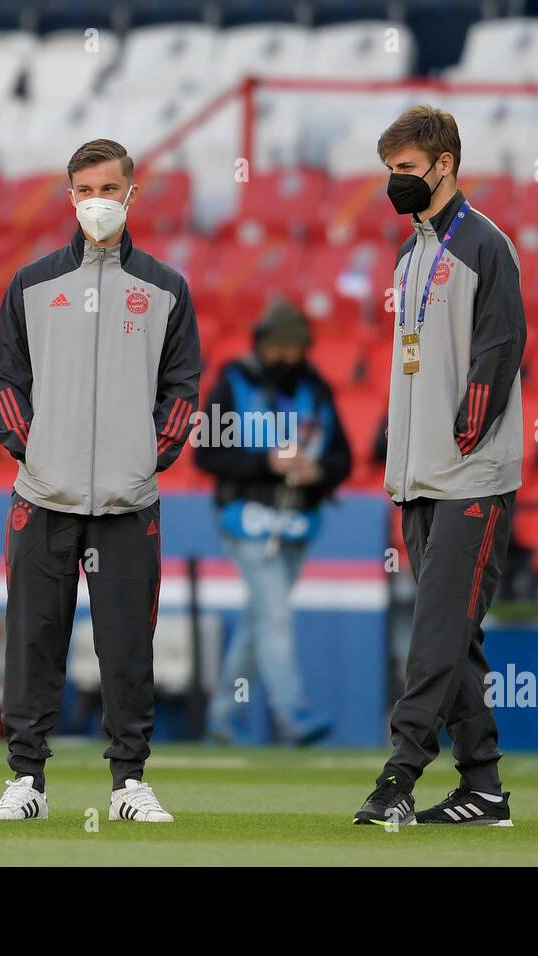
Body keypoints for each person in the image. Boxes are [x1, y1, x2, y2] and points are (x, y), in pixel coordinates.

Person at [0, 139, 200, 824]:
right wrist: (35, 452)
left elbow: (183, 389)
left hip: (128, 503)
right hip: (42, 498)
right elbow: (2, 383)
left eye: (110, 188)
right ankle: (27, 782)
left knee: (128, 647)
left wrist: (146, 458)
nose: (97, 200)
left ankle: (128, 784)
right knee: (33, 640)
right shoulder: (32, 284)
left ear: (133, 195)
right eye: (85, 189)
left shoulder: (167, 289)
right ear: (70, 196)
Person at [354, 105, 527, 827]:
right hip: (416, 479)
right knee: (455, 636)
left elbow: (500, 344)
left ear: (444, 164)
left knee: (433, 634)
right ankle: (483, 788)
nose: (394, 184)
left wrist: (469, 427)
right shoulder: (410, 255)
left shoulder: (485, 246)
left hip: (470, 478)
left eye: (405, 171)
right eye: (389, 172)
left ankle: (399, 774)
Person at [195, 301, 351, 745]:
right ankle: (292, 713)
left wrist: (317, 473)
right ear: (262, 345)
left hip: (299, 522)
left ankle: (223, 719)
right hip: (245, 520)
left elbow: (343, 457)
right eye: (278, 347)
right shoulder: (233, 382)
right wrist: (268, 463)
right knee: (276, 614)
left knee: (260, 618)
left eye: (294, 348)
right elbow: (207, 454)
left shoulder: (317, 390)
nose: (285, 356)